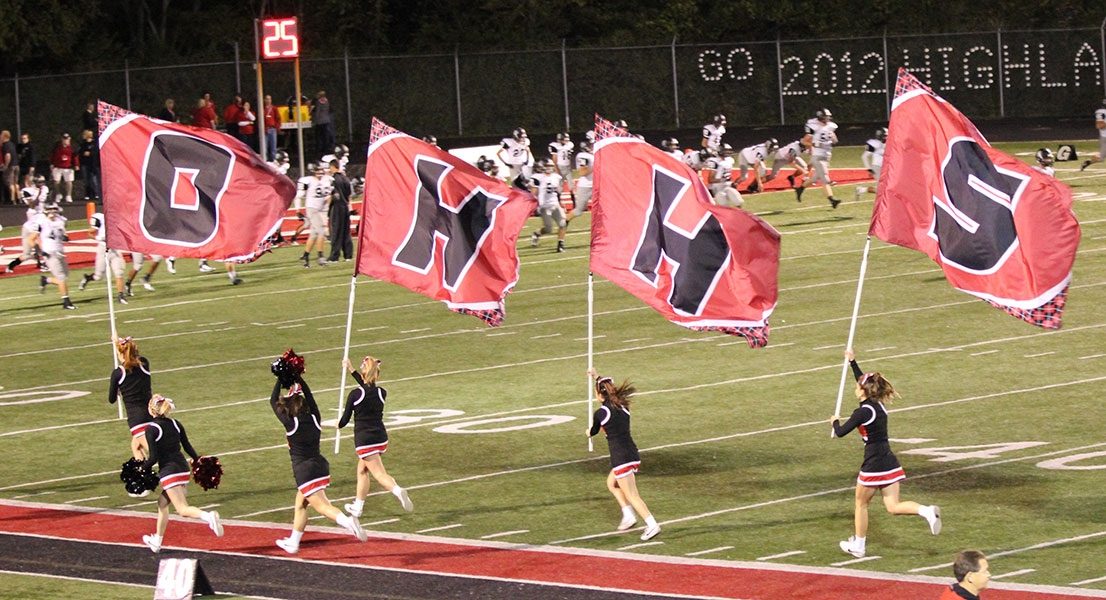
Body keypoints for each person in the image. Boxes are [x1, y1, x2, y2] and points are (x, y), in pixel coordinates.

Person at [832, 348, 941, 558]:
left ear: (864, 390)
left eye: (858, 386)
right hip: (889, 460)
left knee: (861, 503)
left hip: (873, 462)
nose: (856, 387)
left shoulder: (862, 412)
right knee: (893, 506)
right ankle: (926, 511)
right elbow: (863, 381)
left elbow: (840, 432)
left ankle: (859, 545)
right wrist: (853, 362)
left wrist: (834, 421)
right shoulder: (878, 406)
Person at [270, 369, 367, 554]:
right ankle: (293, 541)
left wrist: (279, 378)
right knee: (300, 503)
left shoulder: (291, 423)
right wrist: (299, 378)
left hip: (304, 471)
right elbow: (310, 396)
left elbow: (272, 400)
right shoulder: (315, 418)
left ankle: (348, 522)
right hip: (320, 466)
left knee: (322, 506)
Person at [139, 394, 224, 553]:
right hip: (183, 469)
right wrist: (199, 461)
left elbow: (154, 457)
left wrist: (142, 468)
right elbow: (188, 447)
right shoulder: (175, 424)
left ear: (151, 410)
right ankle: (157, 541)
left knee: (182, 509)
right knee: (162, 503)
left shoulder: (151, 429)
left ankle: (208, 517)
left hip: (169, 472)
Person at [586, 367, 661, 541]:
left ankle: (652, 524)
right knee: (611, 483)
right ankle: (628, 515)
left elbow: (594, 431)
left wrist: (588, 432)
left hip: (620, 457)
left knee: (632, 495)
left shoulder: (600, 413)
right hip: (632, 453)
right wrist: (596, 376)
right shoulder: (623, 407)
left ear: (599, 395)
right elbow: (606, 388)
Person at [338, 356, 413, 518]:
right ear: (377, 375)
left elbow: (344, 421)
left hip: (365, 441)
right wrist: (351, 370)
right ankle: (358, 506)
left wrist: (336, 425)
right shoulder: (381, 393)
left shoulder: (354, 395)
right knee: (362, 470)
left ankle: (397, 490)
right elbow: (367, 388)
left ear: (364, 374)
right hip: (380, 437)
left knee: (379, 474)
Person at [109, 335, 154, 465]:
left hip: (136, 420)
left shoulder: (118, 373)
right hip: (151, 413)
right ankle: (143, 479)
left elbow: (111, 399)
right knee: (136, 447)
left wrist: (119, 390)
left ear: (120, 353)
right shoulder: (144, 363)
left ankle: (173, 476)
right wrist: (118, 342)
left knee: (156, 454)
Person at [32, 203, 76, 310]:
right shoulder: (41, 222)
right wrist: (40, 251)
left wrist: (65, 237)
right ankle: (66, 301)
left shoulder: (61, 221)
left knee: (64, 276)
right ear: (45, 210)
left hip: (60, 251)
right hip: (49, 252)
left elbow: (63, 234)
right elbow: (32, 238)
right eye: (49, 209)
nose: (52, 211)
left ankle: (46, 280)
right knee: (61, 277)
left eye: (54, 209)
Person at [78, 211, 128, 304]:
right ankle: (87, 278)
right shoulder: (100, 217)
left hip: (115, 249)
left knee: (119, 273)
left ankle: (121, 296)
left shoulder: (119, 218)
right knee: (98, 276)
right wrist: (98, 238)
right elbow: (90, 232)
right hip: (103, 249)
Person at [802, 109, 841, 208]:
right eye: (825, 117)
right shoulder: (812, 126)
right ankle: (832, 200)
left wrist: (832, 137)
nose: (828, 118)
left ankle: (800, 188)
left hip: (827, 154)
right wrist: (815, 144)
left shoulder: (831, 126)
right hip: (817, 155)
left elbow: (835, 141)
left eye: (828, 117)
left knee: (815, 178)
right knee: (825, 178)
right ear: (820, 117)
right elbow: (803, 141)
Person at [297, 162, 333, 267]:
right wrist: (298, 210)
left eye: (321, 170)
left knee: (314, 234)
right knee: (321, 231)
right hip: (312, 209)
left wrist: (328, 204)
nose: (320, 173)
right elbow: (299, 196)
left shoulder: (327, 179)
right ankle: (320, 256)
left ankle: (305, 256)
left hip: (322, 209)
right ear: (312, 171)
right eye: (317, 171)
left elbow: (329, 194)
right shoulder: (307, 181)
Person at [528, 158, 567, 252]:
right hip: (544, 206)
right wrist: (536, 205)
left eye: (550, 166)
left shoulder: (556, 177)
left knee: (563, 223)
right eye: (547, 166)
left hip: (555, 204)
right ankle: (537, 234)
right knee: (548, 229)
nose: (549, 168)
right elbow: (533, 193)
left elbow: (557, 192)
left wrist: (561, 202)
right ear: (542, 167)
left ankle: (560, 244)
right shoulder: (537, 178)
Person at [327, 159, 354, 263]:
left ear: (333, 167)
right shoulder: (346, 178)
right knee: (346, 232)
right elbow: (349, 195)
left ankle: (334, 256)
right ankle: (348, 255)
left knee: (336, 232)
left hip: (337, 207)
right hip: (345, 207)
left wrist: (327, 209)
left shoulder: (333, 179)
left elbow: (331, 195)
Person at [5, 208, 45, 273]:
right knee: (27, 255)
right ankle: (11, 265)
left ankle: (39, 263)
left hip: (33, 230)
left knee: (40, 250)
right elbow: (37, 236)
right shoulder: (42, 220)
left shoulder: (48, 218)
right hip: (28, 231)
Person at [566, 137, 594, 224]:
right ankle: (564, 222)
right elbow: (582, 172)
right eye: (591, 145)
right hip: (585, 187)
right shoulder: (583, 156)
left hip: (596, 186)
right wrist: (595, 166)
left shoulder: (593, 155)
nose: (593, 146)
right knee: (578, 211)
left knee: (605, 206)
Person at [855, 127, 887, 199]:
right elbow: (864, 156)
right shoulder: (874, 143)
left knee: (886, 187)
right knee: (883, 188)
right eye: (885, 135)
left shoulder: (888, 143)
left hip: (886, 167)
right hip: (877, 167)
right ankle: (861, 190)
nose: (887, 137)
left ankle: (861, 190)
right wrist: (869, 169)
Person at [49, 133, 78, 203]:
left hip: (68, 167)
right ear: (62, 139)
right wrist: (52, 164)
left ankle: (68, 195)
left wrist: (76, 165)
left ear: (69, 139)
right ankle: (58, 194)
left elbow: (75, 157)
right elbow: (52, 155)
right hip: (57, 166)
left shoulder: (72, 147)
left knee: (69, 182)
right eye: (64, 139)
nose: (65, 141)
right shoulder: (57, 147)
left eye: (67, 139)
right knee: (56, 181)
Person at [1079, 98, 1106, 171]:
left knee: (1101, 158)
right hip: (1105, 137)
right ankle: (1088, 162)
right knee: (1101, 158)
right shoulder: (1101, 112)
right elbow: (1099, 125)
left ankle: (1088, 162)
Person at [311, 90, 336, 159]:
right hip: (327, 120)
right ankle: (327, 149)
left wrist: (314, 120)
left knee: (319, 136)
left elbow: (317, 112)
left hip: (320, 121)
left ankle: (320, 150)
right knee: (326, 136)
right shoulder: (326, 101)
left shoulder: (318, 102)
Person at [77, 129, 100, 201]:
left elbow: (96, 152)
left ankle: (96, 194)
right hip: (85, 164)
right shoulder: (83, 144)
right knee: (86, 180)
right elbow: (80, 152)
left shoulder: (94, 143)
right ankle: (88, 194)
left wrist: (90, 153)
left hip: (93, 164)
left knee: (94, 179)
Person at [261, 95, 281, 161]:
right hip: (265, 130)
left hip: (272, 129)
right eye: (266, 99)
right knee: (264, 147)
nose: (268, 100)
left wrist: (277, 128)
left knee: (273, 147)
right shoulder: (262, 108)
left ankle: (273, 160)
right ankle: (265, 161)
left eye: (269, 99)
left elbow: (278, 118)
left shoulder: (274, 108)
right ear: (264, 100)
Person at [2, 130, 18, 205]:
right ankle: (18, 198)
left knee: (10, 183)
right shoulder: (12, 144)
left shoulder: (5, 145)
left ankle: (12, 199)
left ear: (4, 136)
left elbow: (8, 155)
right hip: (16, 165)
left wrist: (6, 165)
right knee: (15, 182)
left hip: (10, 166)